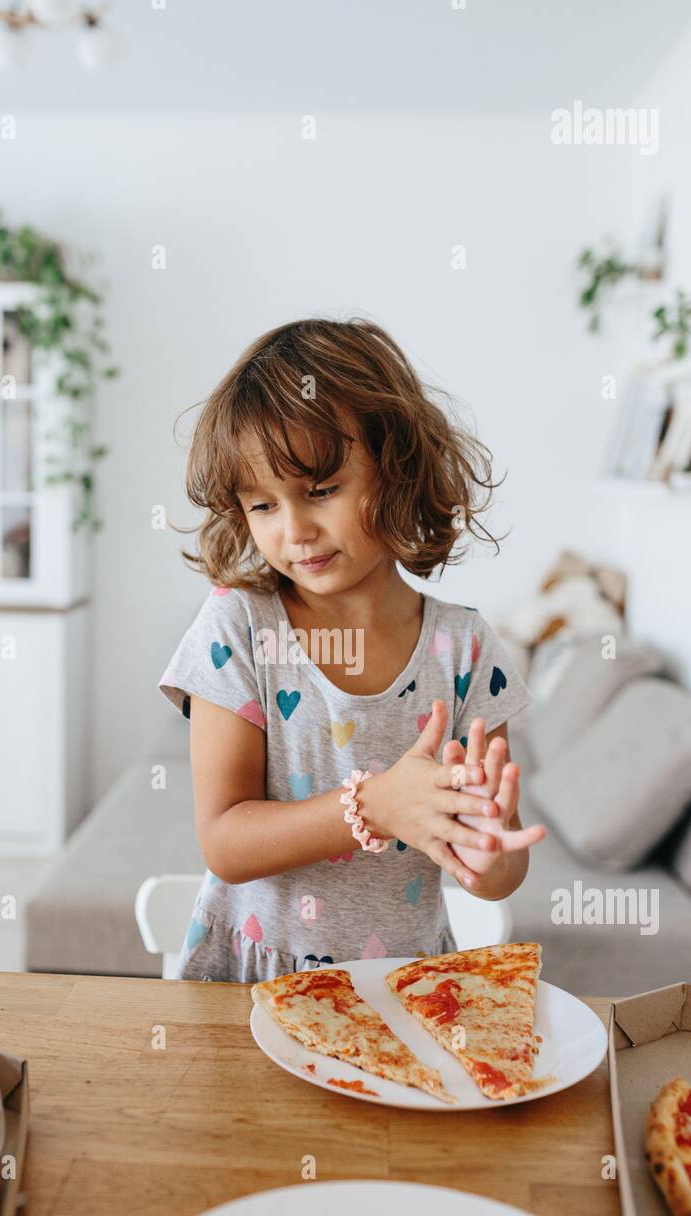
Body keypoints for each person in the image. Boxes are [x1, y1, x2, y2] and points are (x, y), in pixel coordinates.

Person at [159, 317, 546, 981]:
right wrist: (374, 807)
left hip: (408, 986)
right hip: (253, 982)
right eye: (262, 506)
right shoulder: (238, 629)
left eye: (321, 491)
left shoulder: (465, 649)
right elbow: (224, 841)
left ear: (395, 468)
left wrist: (489, 854)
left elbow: (499, 872)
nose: (295, 531)